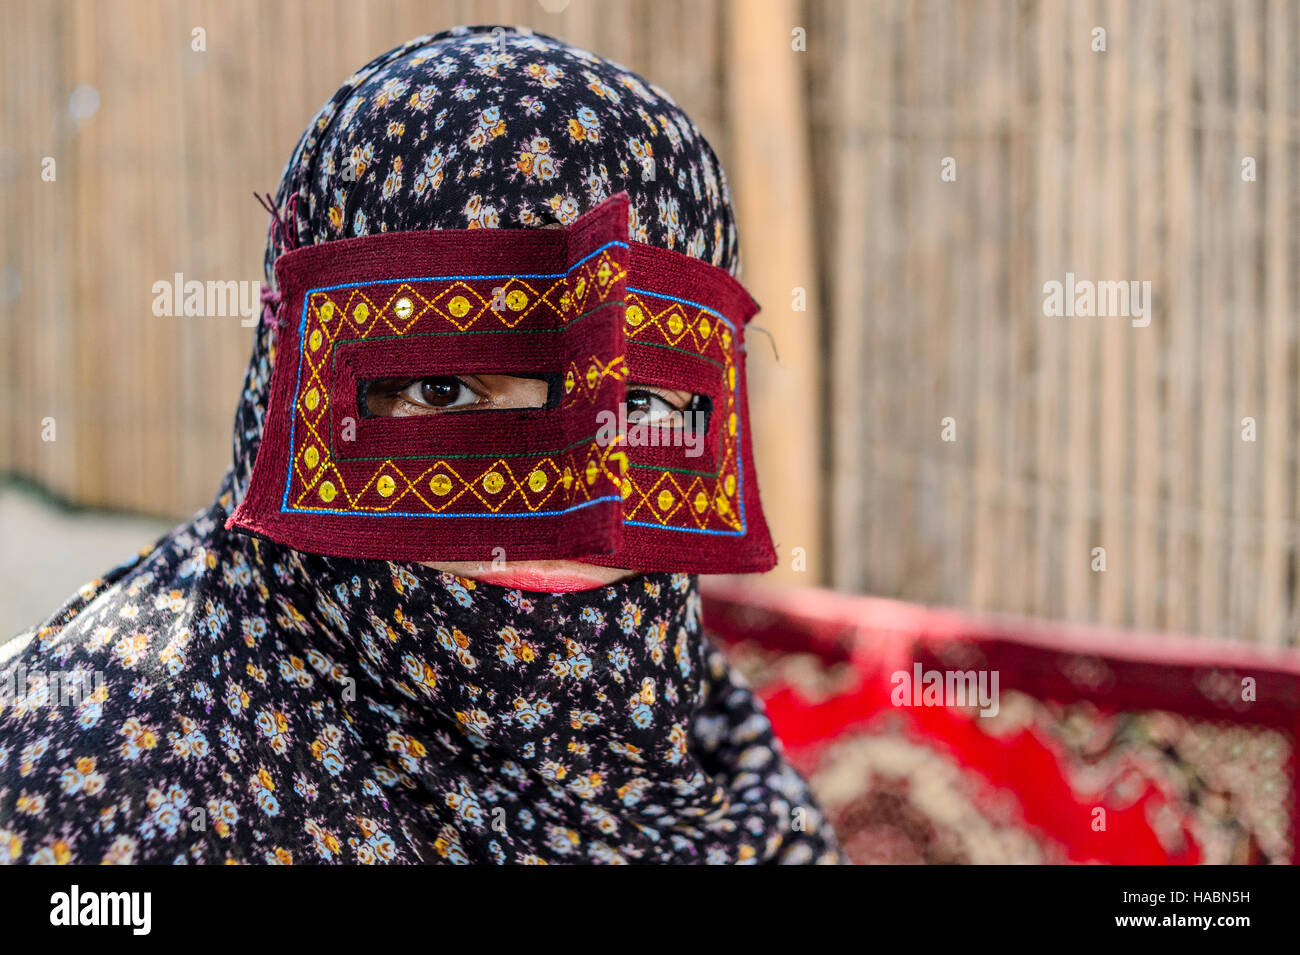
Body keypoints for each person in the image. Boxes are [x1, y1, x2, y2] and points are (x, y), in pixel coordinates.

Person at [0, 25, 840, 865]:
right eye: (444, 389)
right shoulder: (96, 784)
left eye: (644, 398)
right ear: (295, 387)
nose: (572, 498)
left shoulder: (721, 758)